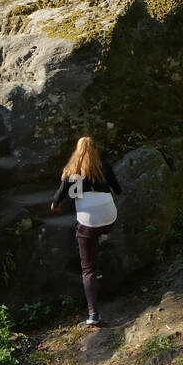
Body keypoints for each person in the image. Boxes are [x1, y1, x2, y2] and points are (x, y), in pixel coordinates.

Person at [50, 136, 122, 328]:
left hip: (88, 223)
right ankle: (102, 241)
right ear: (95, 150)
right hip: (109, 218)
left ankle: (93, 314)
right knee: (98, 230)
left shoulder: (72, 172)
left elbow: (58, 198)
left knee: (87, 268)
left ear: (76, 150)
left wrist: (55, 205)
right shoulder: (104, 167)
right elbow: (119, 190)